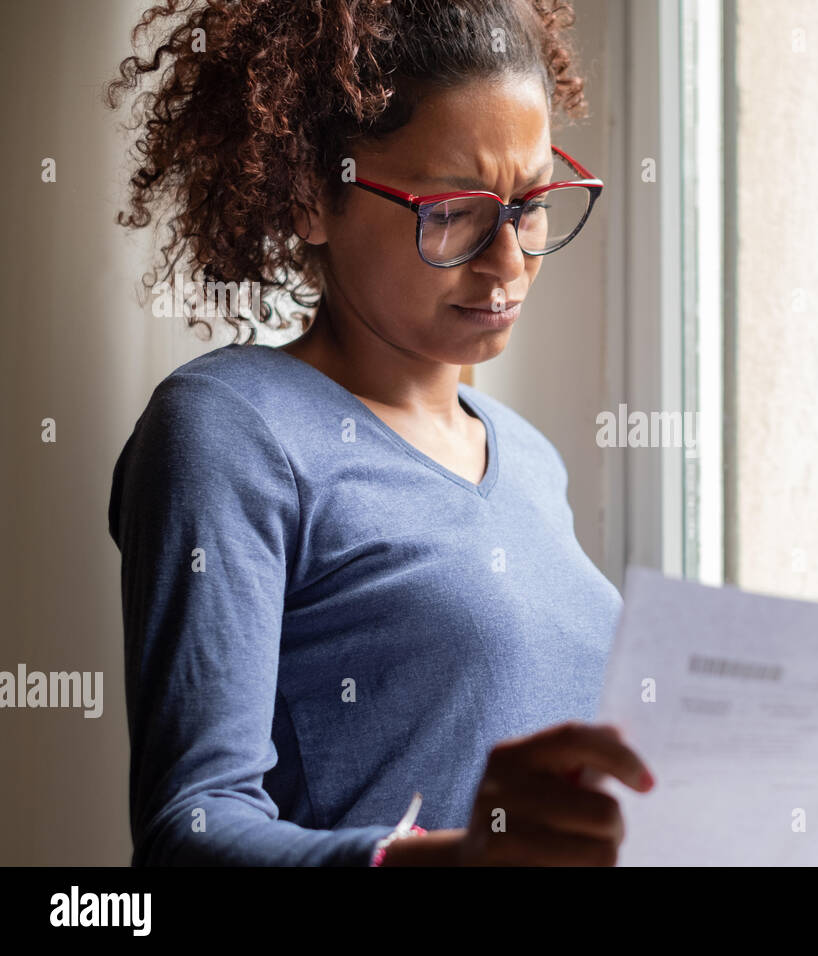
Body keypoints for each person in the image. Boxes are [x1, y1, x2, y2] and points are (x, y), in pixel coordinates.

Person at [105, 0, 653, 867]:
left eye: (533, 201)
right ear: (310, 197)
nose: (509, 262)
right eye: (452, 211)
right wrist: (456, 860)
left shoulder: (529, 459)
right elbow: (190, 831)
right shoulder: (230, 429)